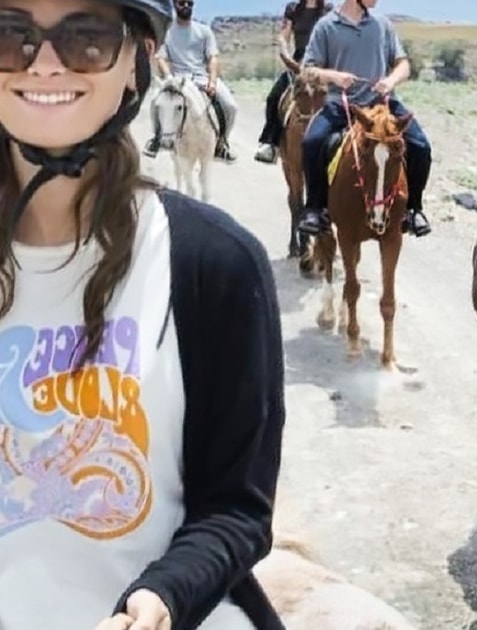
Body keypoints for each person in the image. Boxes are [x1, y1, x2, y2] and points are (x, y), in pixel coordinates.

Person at [0, 0, 286, 629]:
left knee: (236, 109)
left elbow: (237, 506)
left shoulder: (217, 265)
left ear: (136, 59)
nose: (45, 64)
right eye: (8, 33)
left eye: (87, 37)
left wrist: (162, 597)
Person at [296, 0, 432, 237]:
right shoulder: (326, 26)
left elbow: (403, 65)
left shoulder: (382, 25)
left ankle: (413, 210)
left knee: (420, 146)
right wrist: (335, 77)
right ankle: (315, 209)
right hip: (342, 106)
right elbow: (308, 71)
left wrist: (390, 81)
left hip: (382, 106)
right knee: (312, 142)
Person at [142, 0, 237, 162]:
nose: (186, 6)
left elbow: (213, 58)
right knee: (155, 101)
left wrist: (212, 82)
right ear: (174, 5)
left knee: (230, 106)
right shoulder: (167, 32)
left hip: (201, 78)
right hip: (177, 79)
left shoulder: (204, 31)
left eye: (189, 3)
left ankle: (222, 144)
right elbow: (161, 59)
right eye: (181, 3)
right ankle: (157, 138)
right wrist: (169, 79)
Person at [253, 0, 331, 164]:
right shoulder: (293, 9)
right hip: (297, 63)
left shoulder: (328, 10)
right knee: (274, 98)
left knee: (343, 99)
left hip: (324, 63)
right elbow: (284, 35)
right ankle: (270, 143)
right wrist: (284, 51)